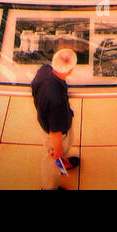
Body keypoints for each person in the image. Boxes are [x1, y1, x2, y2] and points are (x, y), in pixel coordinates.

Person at [31, 47, 79, 189]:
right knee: (52, 161)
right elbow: (55, 133)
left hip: (46, 120)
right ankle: (48, 187)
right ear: (70, 71)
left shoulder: (44, 70)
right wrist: (58, 151)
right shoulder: (56, 102)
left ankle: (63, 161)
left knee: (59, 150)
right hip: (55, 134)